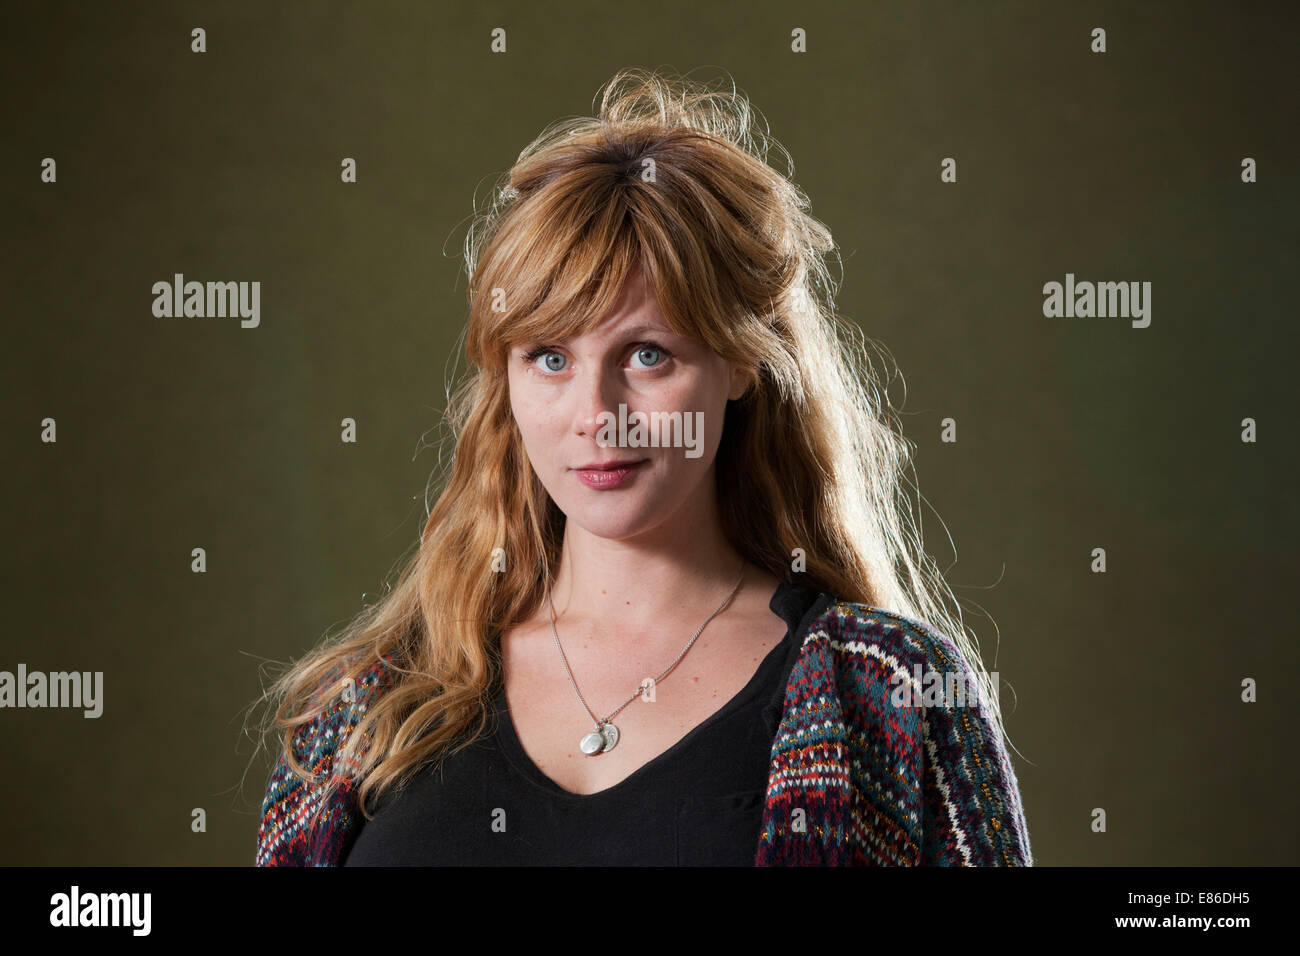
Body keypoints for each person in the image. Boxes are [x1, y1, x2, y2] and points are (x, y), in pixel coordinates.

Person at [252, 67, 1032, 866]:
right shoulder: (362, 708)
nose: (597, 413)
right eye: (550, 357)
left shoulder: (891, 691)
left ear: (740, 364)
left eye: (649, 354)